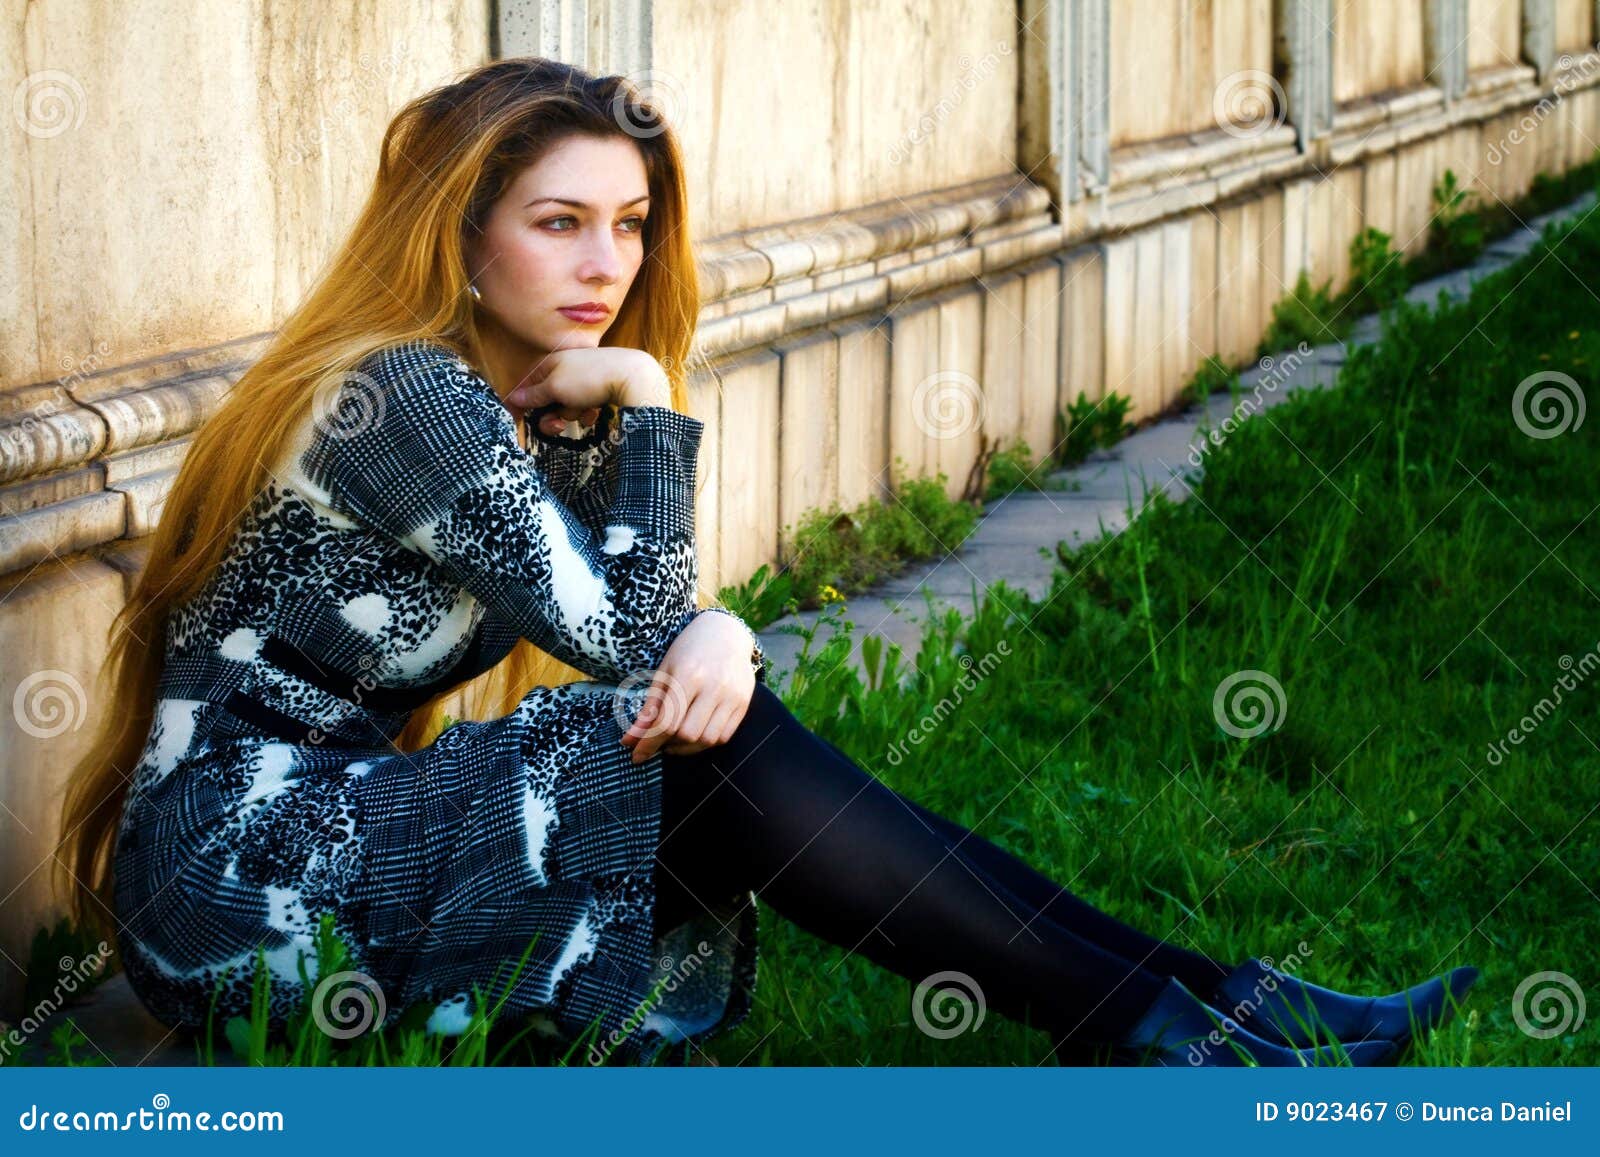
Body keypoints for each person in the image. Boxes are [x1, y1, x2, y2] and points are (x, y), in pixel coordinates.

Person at [56, 57, 1477, 1067]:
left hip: (327, 843)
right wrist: (663, 435)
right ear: (462, 231)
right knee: (697, 745)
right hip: (239, 890)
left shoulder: (527, 404)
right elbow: (638, 636)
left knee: (701, 739)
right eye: (558, 222)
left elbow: (641, 630)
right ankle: (1193, 1021)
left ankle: (1208, 1012)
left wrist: (699, 614)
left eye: (627, 222)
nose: (604, 260)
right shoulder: (405, 399)